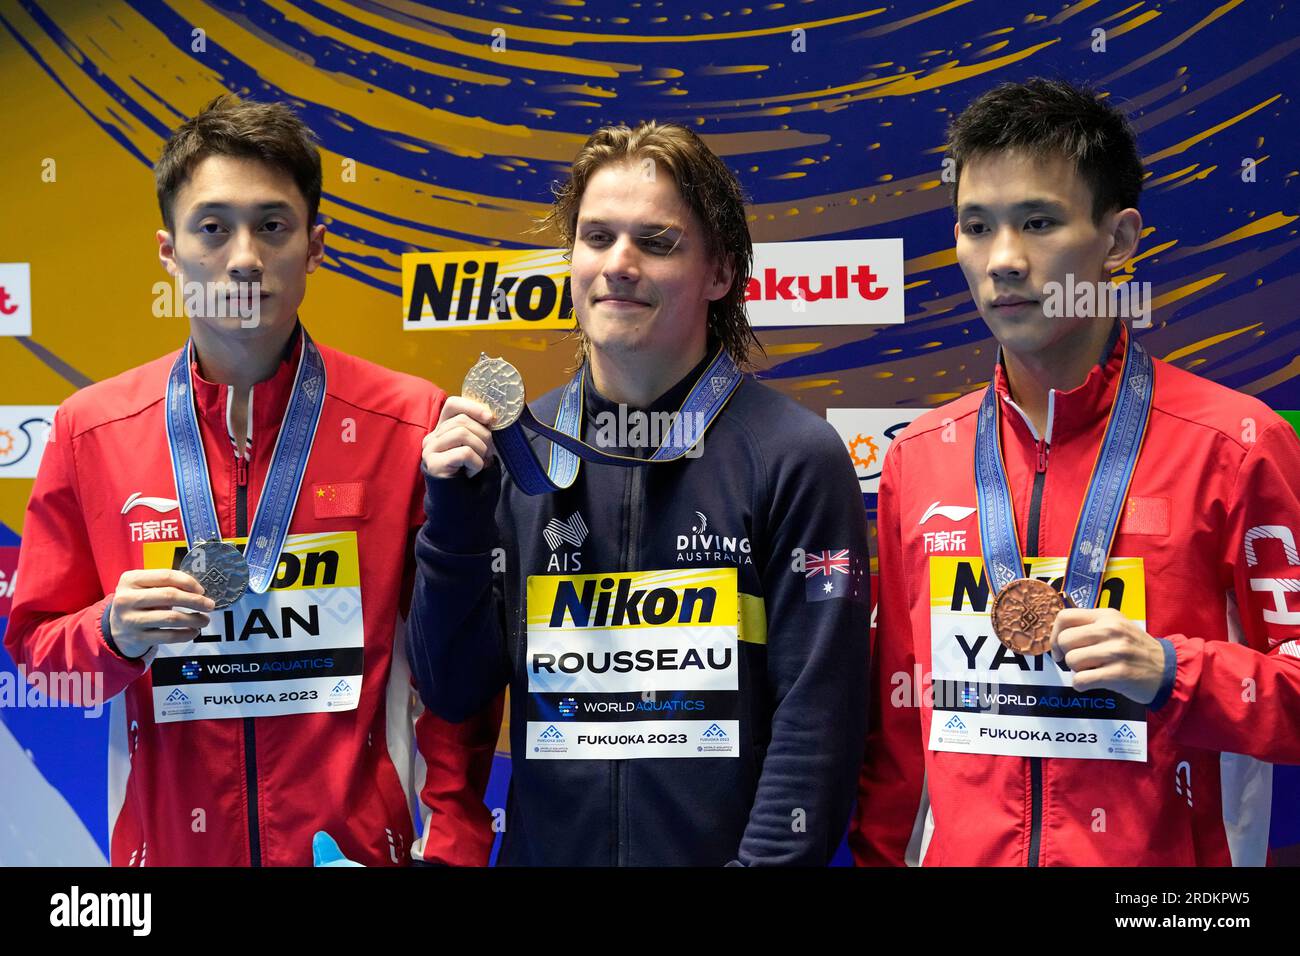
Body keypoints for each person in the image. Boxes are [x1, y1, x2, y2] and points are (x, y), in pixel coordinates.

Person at [5, 95, 499, 866]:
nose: (243, 257)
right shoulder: (91, 431)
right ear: (169, 252)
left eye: (273, 226)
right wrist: (111, 632)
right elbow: (38, 650)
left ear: (316, 245)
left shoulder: (409, 425)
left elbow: (458, 672)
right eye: (213, 227)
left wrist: (455, 850)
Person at [851, 78, 1300, 866]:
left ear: (1118, 241)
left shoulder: (1235, 444)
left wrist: (1174, 670)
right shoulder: (919, 457)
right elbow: (899, 726)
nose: (1004, 261)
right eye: (976, 227)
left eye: (1038, 222)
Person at [409, 121, 870, 866]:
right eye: (596, 238)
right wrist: (454, 521)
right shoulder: (517, 452)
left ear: (719, 272)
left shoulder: (794, 457)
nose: (618, 264)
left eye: (656, 243)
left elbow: (817, 722)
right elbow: (454, 691)